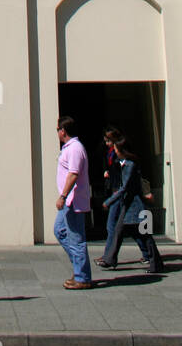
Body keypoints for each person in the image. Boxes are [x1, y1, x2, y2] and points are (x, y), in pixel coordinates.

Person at [99, 141, 164, 274]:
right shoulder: (124, 164)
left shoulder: (130, 165)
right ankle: (110, 259)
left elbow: (124, 188)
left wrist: (109, 201)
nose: (114, 151)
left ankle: (155, 263)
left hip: (135, 205)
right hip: (128, 205)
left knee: (144, 235)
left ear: (122, 151)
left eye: (116, 149)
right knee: (119, 231)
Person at [54, 116, 92, 289]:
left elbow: (74, 173)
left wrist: (63, 196)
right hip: (68, 201)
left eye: (57, 130)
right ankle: (79, 268)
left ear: (63, 131)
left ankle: (82, 277)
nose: (57, 133)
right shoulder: (69, 148)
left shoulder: (75, 149)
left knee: (76, 238)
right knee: (60, 231)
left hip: (72, 200)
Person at [95, 125, 125, 269]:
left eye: (108, 141)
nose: (106, 143)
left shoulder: (120, 153)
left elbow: (122, 173)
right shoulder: (110, 152)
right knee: (135, 230)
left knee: (111, 226)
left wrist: (110, 173)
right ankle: (148, 254)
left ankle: (109, 257)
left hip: (118, 192)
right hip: (114, 190)